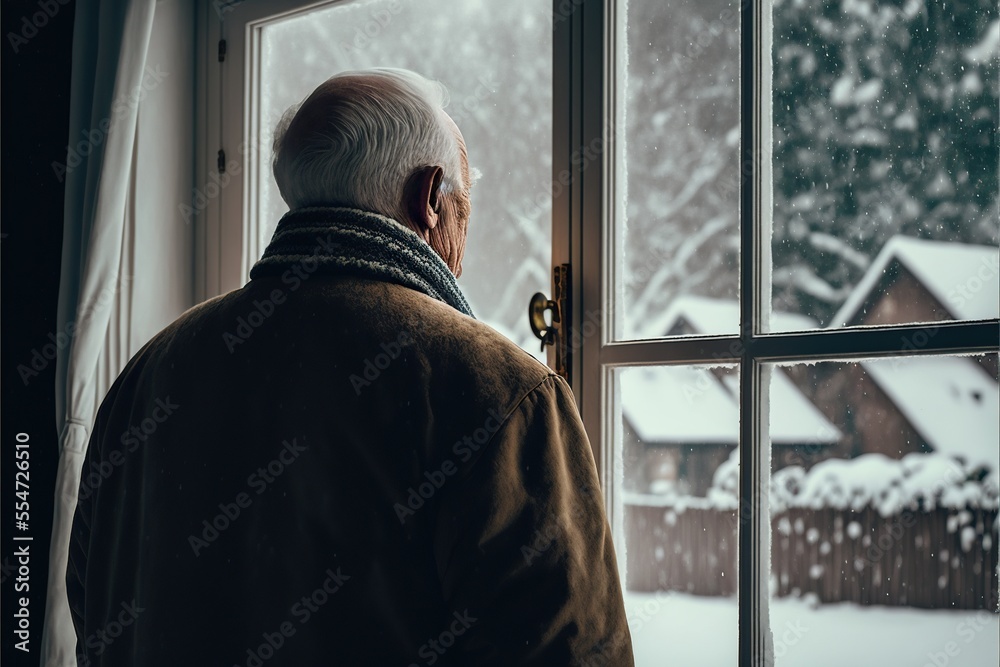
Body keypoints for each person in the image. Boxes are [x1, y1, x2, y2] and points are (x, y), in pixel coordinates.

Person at [68, 68, 634, 666]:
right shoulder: (497, 387)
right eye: (465, 201)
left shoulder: (146, 373)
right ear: (430, 197)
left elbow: (92, 604)